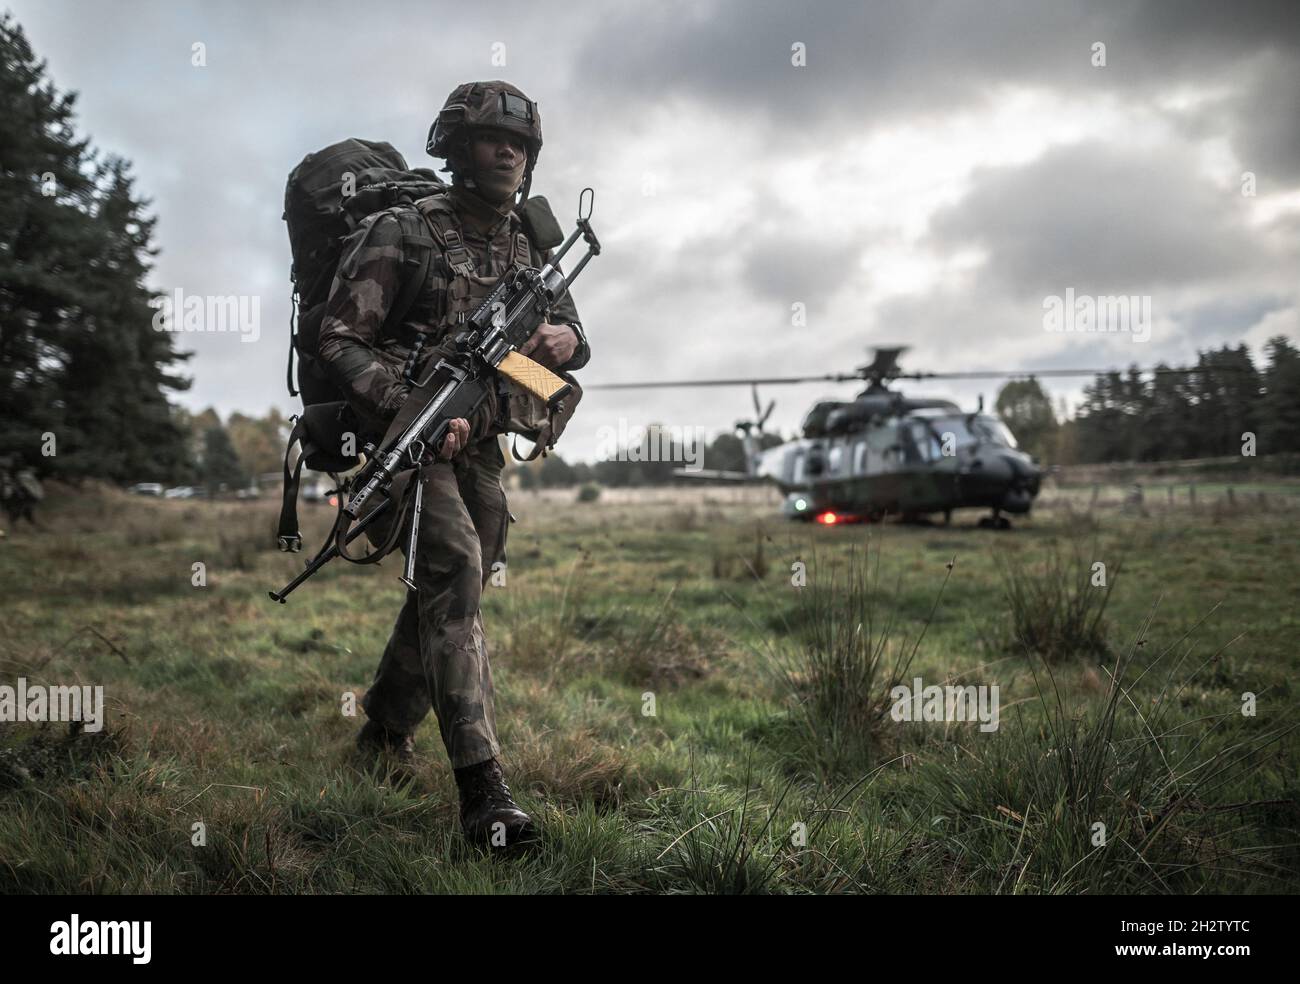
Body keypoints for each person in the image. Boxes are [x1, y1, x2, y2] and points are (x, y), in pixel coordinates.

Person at [317, 81, 589, 847]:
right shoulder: (402, 232)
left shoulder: (528, 245)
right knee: (458, 570)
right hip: (408, 441)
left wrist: (565, 350)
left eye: (522, 142)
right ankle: (485, 792)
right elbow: (339, 339)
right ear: (454, 146)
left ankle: (380, 733)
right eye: (493, 137)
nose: (510, 151)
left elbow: (564, 342)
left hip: (483, 444)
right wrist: (409, 410)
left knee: (449, 586)